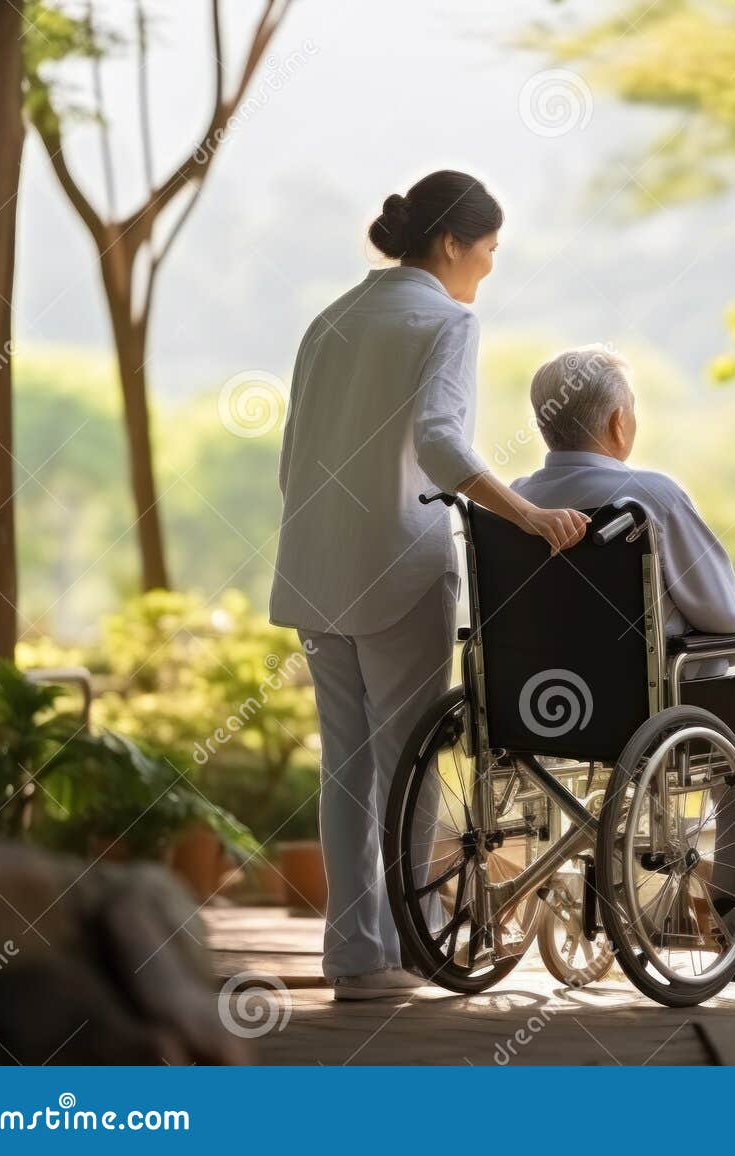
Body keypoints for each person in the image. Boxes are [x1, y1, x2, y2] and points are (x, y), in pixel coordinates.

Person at [270, 171, 588, 1001]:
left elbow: (290, 457)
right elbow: (442, 442)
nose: (487, 268)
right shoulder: (447, 321)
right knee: (406, 761)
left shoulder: (330, 319)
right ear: (452, 245)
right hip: (396, 566)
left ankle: (355, 960)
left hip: (313, 567)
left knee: (346, 769)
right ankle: (407, 951)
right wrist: (525, 514)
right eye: (486, 251)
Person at [510, 344, 735, 759]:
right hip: (651, 707)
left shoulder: (516, 504)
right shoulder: (650, 497)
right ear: (618, 423)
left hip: (540, 707)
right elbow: (724, 619)